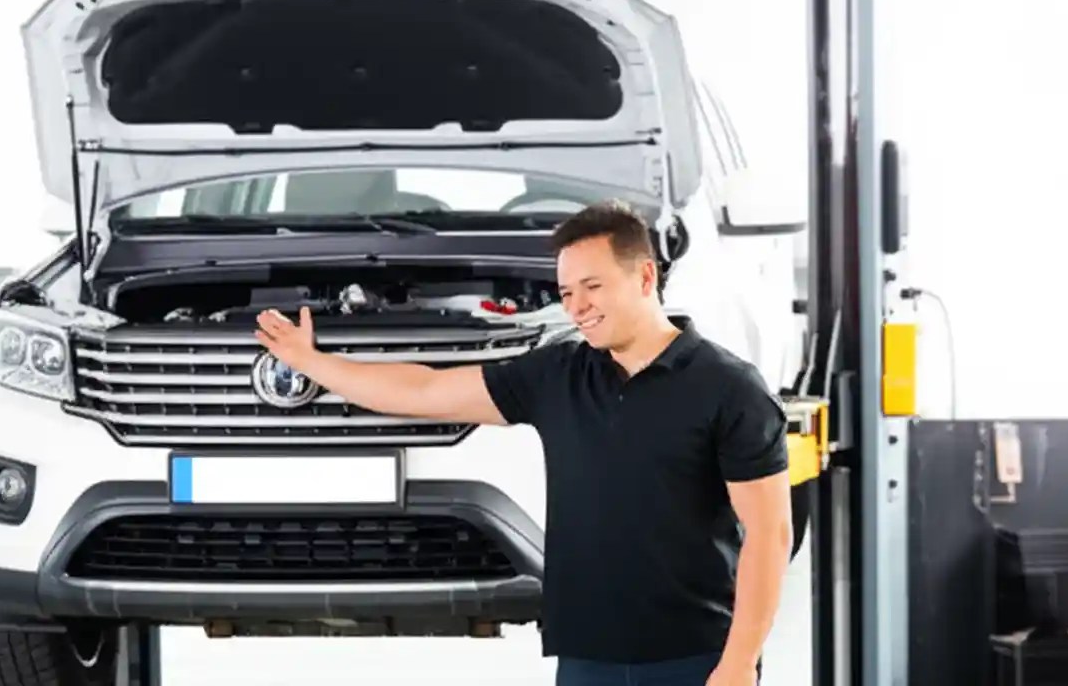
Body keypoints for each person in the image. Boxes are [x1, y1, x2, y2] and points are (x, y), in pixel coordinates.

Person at [254, 199, 794, 686]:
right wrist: (314, 364)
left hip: (697, 659)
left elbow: (769, 535)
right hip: (587, 659)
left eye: (593, 286)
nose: (577, 306)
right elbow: (428, 389)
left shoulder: (729, 388)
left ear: (646, 276)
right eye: (565, 293)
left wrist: (739, 663)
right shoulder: (558, 375)